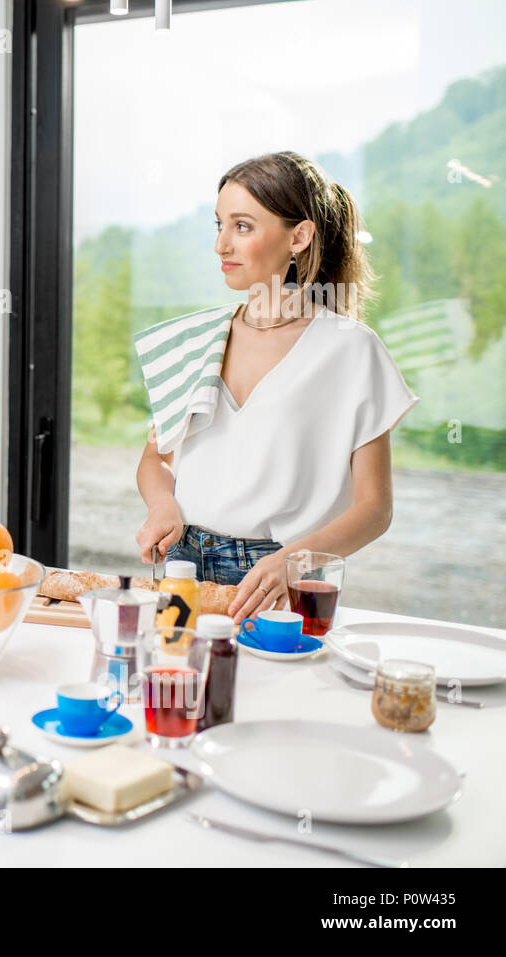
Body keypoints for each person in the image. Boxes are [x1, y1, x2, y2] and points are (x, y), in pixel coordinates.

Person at [134, 151, 417, 625]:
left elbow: (374, 509)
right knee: (177, 692)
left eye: (242, 226)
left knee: (272, 695)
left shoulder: (350, 351)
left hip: (277, 580)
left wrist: (293, 561)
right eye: (219, 224)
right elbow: (155, 459)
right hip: (180, 568)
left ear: (299, 237)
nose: (222, 244)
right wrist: (163, 504)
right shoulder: (197, 341)